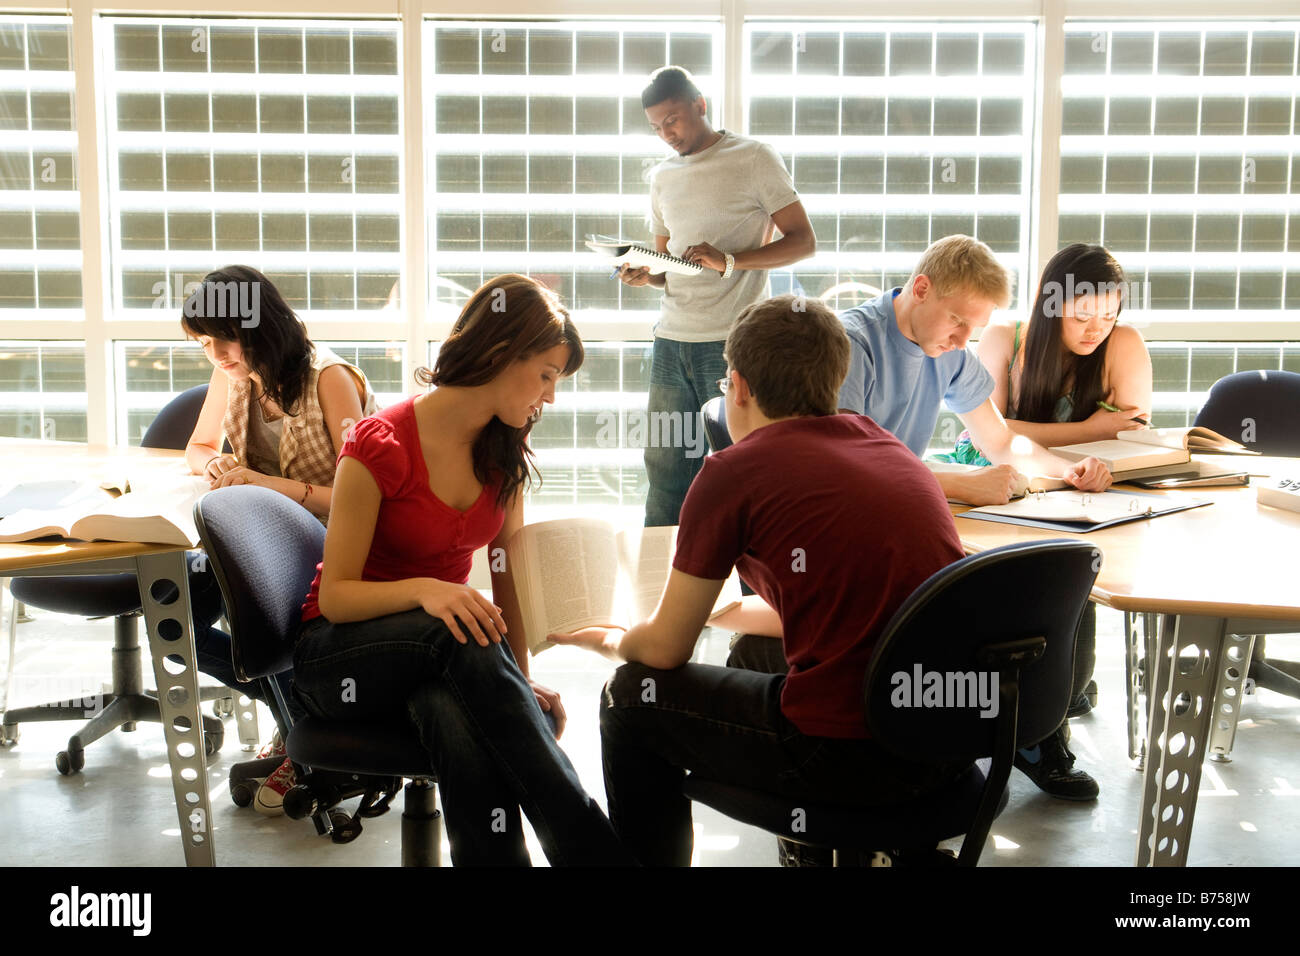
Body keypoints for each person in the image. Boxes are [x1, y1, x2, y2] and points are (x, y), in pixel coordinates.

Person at [551, 295, 967, 866]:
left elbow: (667, 652)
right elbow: (848, 606)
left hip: (848, 757)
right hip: (947, 744)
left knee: (629, 697)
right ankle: (814, 851)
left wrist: (608, 640)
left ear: (739, 385)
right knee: (753, 654)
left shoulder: (733, 472)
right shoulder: (889, 448)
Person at [726, 236, 1114, 817]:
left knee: (1055, 570)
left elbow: (1000, 440)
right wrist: (962, 483)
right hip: (851, 531)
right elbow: (845, 463)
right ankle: (978, 731)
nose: (962, 341)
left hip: (903, 513)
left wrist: (1068, 469)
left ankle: (1033, 728)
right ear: (921, 288)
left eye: (973, 329)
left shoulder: (948, 351)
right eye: (958, 322)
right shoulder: (853, 346)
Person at [289, 274, 629, 866]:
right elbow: (338, 597)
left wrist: (515, 683)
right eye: (547, 375)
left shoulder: (505, 453)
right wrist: (427, 590)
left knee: (452, 711)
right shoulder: (379, 445)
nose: (550, 397)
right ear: (499, 353)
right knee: (454, 627)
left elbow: (508, 583)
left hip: (444, 661)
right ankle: (592, 848)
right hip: (339, 656)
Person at [180, 264, 377, 813]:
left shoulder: (330, 378)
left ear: (258, 326)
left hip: (334, 542)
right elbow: (196, 447)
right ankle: (301, 718)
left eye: (224, 339)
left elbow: (357, 498)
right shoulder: (234, 374)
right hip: (259, 540)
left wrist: (266, 485)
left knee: (257, 611)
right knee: (175, 618)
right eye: (205, 344)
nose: (216, 354)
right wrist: (216, 464)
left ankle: (306, 737)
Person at [967, 243, 1151, 800]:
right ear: (1051, 305)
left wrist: (1037, 430)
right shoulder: (1004, 338)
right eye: (1082, 314)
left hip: (1089, 490)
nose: (1098, 328)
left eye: (1109, 313)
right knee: (1043, 576)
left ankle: (1057, 698)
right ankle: (1039, 732)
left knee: (1084, 563)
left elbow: (1131, 433)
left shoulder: (1124, 343)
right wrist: (1092, 427)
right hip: (1001, 489)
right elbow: (990, 436)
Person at [618, 66, 816, 527]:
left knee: (741, 477)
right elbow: (668, 265)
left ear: (699, 105)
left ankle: (755, 598)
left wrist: (729, 260)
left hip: (731, 346)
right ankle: (663, 593)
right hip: (670, 342)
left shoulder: (753, 157)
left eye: (672, 120)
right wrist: (646, 274)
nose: (666, 134)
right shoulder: (663, 177)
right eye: (655, 127)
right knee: (666, 476)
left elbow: (804, 241)